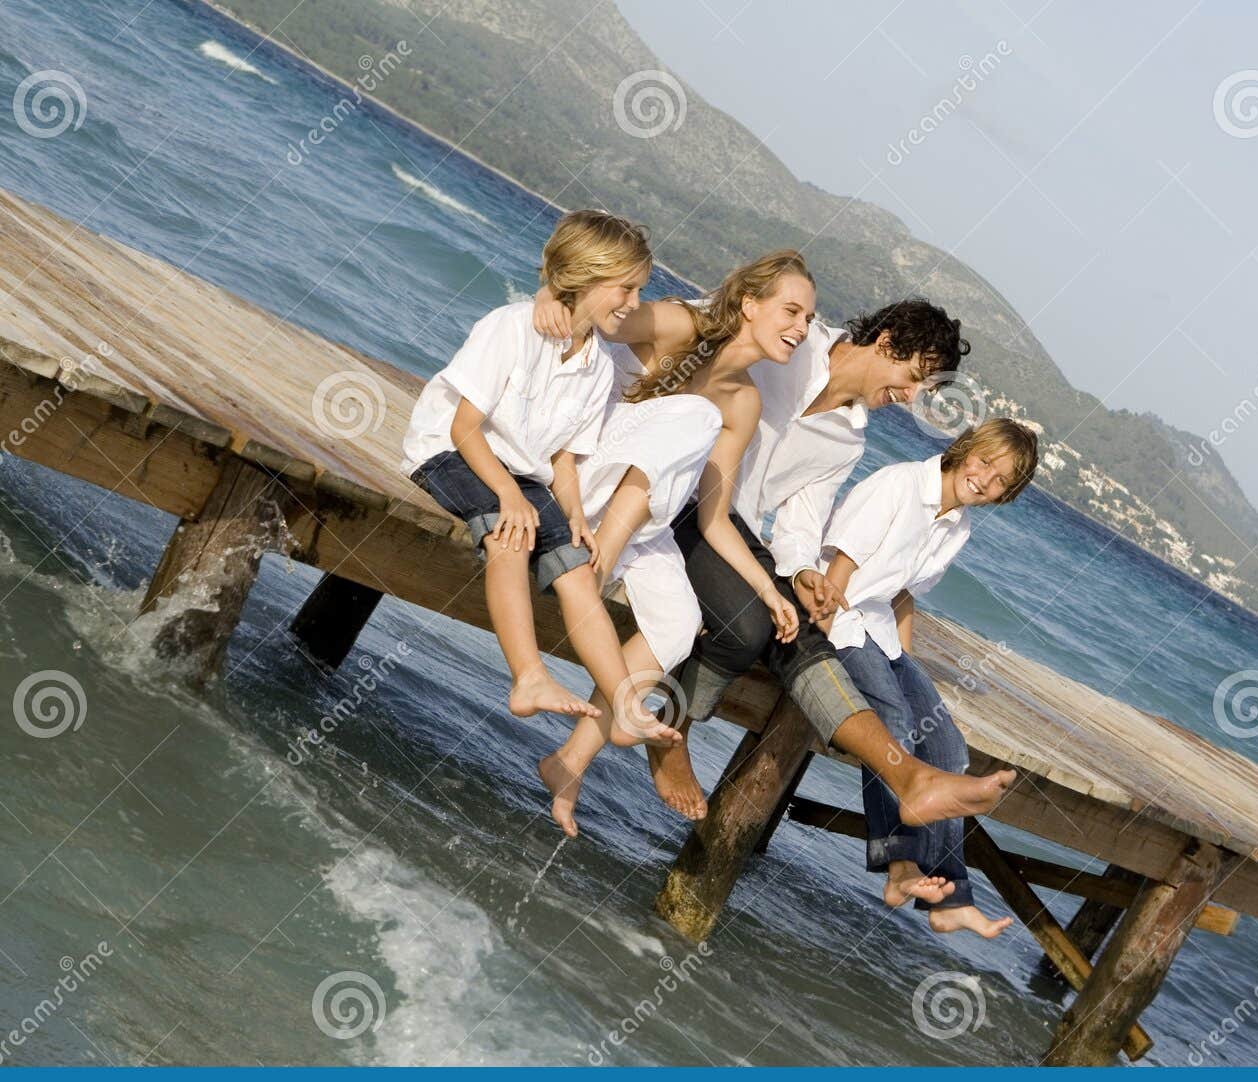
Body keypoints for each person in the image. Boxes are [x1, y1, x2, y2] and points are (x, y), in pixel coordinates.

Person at [644, 297, 1016, 825]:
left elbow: (801, 521)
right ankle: (671, 731)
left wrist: (805, 573)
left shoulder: (849, 438)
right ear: (886, 342)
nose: (910, 398)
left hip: (734, 532)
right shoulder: (794, 344)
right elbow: (708, 317)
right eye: (910, 378)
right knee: (748, 626)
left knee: (801, 632)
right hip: (671, 495)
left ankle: (906, 773)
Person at [531, 251, 816, 837]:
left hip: (647, 521)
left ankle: (567, 764)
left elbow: (712, 519)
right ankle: (598, 557)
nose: (801, 328)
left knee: (680, 625)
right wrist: (549, 298)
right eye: (791, 311)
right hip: (588, 483)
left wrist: (769, 589)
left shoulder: (745, 401)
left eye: (809, 320)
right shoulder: (682, 327)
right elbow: (602, 317)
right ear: (749, 304)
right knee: (695, 417)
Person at [401, 209, 678, 748]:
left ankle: (623, 703)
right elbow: (464, 427)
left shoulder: (599, 365)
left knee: (575, 568)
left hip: (524, 470)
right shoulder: (510, 328)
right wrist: (507, 494)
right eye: (625, 288)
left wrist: (574, 514)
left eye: (639, 290)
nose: (634, 303)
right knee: (511, 535)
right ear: (586, 277)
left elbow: (564, 460)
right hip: (451, 452)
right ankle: (528, 676)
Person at [817, 419, 1039, 937]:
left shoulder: (956, 525)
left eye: (1001, 479)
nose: (984, 479)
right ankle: (899, 870)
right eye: (984, 461)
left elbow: (901, 593)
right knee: (891, 718)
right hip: (837, 615)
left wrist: (905, 665)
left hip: (878, 628)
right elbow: (840, 564)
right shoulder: (900, 485)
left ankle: (950, 899)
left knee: (946, 745)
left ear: (1007, 494)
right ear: (965, 450)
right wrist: (819, 635)